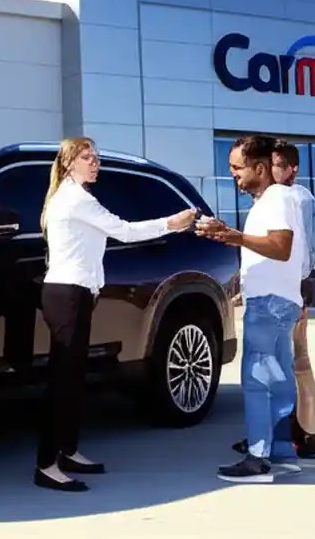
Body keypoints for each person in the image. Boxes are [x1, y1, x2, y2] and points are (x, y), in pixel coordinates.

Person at [34, 136, 198, 491]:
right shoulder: (75, 200)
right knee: (62, 380)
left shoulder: (74, 197)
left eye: (96, 157)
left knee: (73, 377)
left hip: (74, 292)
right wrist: (173, 222)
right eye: (87, 157)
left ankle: (68, 450)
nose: (95, 163)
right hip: (67, 294)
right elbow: (124, 232)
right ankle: (47, 465)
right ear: (69, 163)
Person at [196, 135, 306, 483]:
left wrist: (233, 236)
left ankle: (257, 459)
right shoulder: (281, 198)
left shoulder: (274, 198)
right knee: (279, 377)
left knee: (257, 379)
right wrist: (243, 280)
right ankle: (282, 452)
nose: (233, 175)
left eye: (237, 168)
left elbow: (280, 246)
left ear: (260, 168)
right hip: (280, 299)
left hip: (270, 305)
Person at [230, 139, 315, 458]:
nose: (272, 169)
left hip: (287, 293)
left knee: (285, 368)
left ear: (290, 168)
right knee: (282, 369)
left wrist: (308, 279)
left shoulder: (291, 197)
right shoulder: (274, 198)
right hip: (285, 291)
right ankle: (282, 444)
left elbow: (295, 245)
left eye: (277, 164)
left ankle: (299, 436)